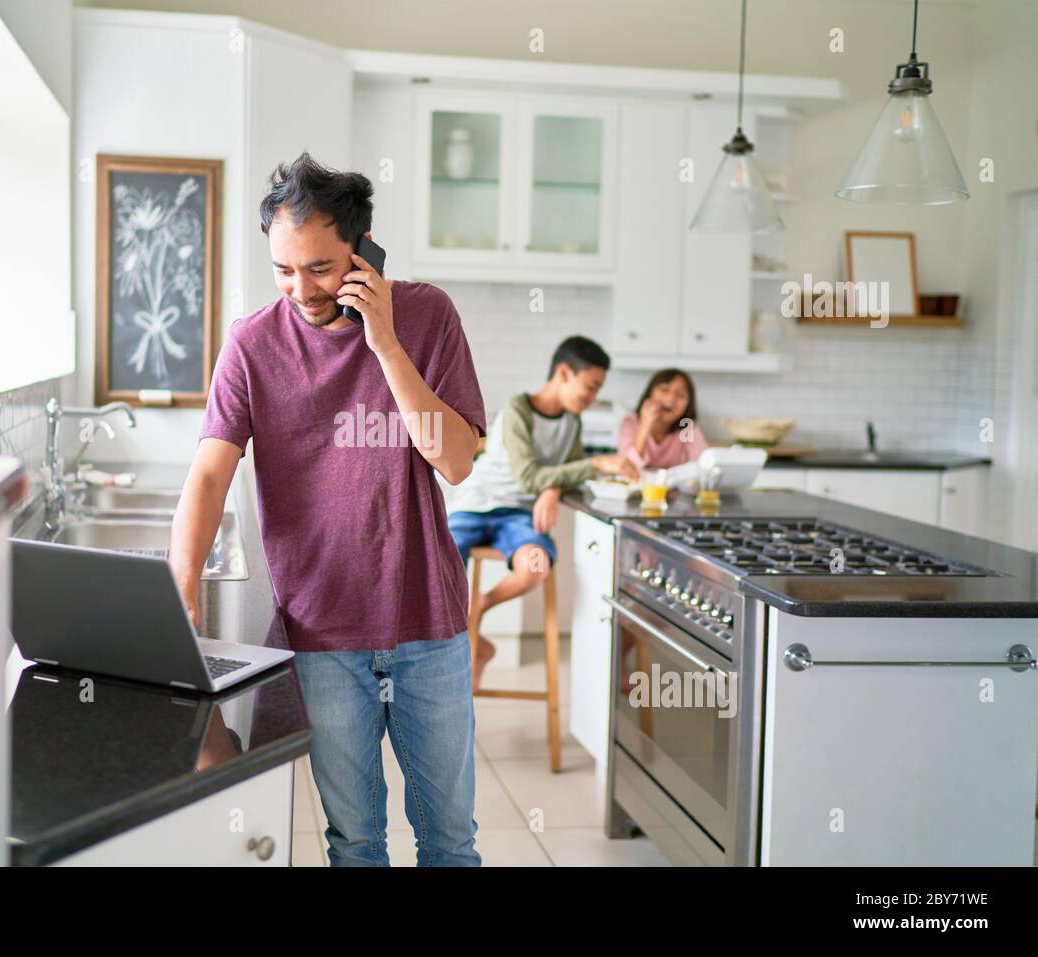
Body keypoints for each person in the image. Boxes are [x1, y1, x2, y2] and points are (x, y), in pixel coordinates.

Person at [171, 152, 486, 867]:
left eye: (318, 268)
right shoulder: (252, 344)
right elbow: (211, 471)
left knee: (450, 840)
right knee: (354, 841)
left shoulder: (426, 315)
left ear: (362, 248)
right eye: (283, 269)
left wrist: (384, 343)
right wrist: (180, 585)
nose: (300, 289)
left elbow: (457, 460)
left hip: (426, 624)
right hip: (322, 634)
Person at [447, 336, 637, 687]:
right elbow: (530, 474)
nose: (593, 398)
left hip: (519, 515)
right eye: (591, 387)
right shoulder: (518, 408)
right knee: (440, 573)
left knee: (536, 567)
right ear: (564, 373)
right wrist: (595, 464)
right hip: (475, 505)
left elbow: (569, 471)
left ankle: (479, 609)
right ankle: (473, 643)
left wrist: (552, 488)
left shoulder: (572, 422)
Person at [618, 367, 708, 471]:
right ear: (650, 393)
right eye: (664, 389)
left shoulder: (687, 428)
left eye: (680, 395)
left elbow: (703, 465)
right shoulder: (631, 422)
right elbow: (626, 467)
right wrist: (644, 426)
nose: (671, 398)